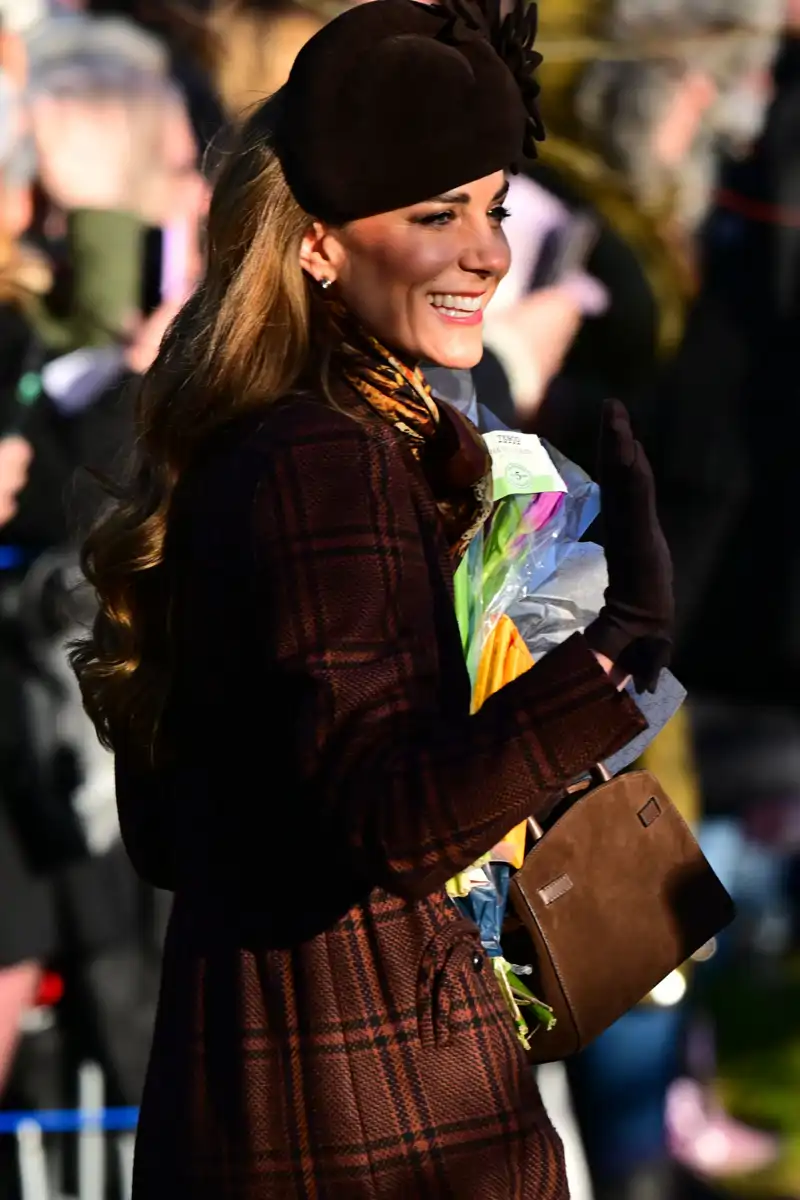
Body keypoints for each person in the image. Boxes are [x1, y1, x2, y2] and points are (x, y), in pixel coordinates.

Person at [71, 0, 673, 1194]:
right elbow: (394, 818)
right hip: (365, 1126)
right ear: (317, 243)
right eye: (433, 212)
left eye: (492, 207)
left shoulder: (309, 442)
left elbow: (187, 823)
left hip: (285, 1085)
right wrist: (608, 654)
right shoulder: (319, 460)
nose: (488, 250)